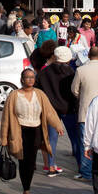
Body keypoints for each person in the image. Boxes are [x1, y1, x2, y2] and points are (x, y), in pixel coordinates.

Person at [1, 68, 65, 194]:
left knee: (31, 162)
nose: (30, 79)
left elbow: (49, 112)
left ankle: (27, 189)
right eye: (27, 77)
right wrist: (4, 138)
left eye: (32, 77)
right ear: (22, 79)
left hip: (36, 132)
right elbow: (6, 118)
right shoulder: (14, 95)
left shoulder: (40, 94)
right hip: (20, 132)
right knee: (23, 162)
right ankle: (26, 190)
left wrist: (57, 125)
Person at [71, 45, 98, 180]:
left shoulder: (81, 70)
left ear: (88, 56)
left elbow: (74, 90)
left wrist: (82, 96)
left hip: (85, 111)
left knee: (85, 142)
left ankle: (86, 171)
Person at [38, 45, 76, 176]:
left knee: (50, 139)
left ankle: (51, 165)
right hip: (68, 108)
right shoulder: (71, 72)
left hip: (49, 109)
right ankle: (82, 166)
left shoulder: (44, 72)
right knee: (75, 137)